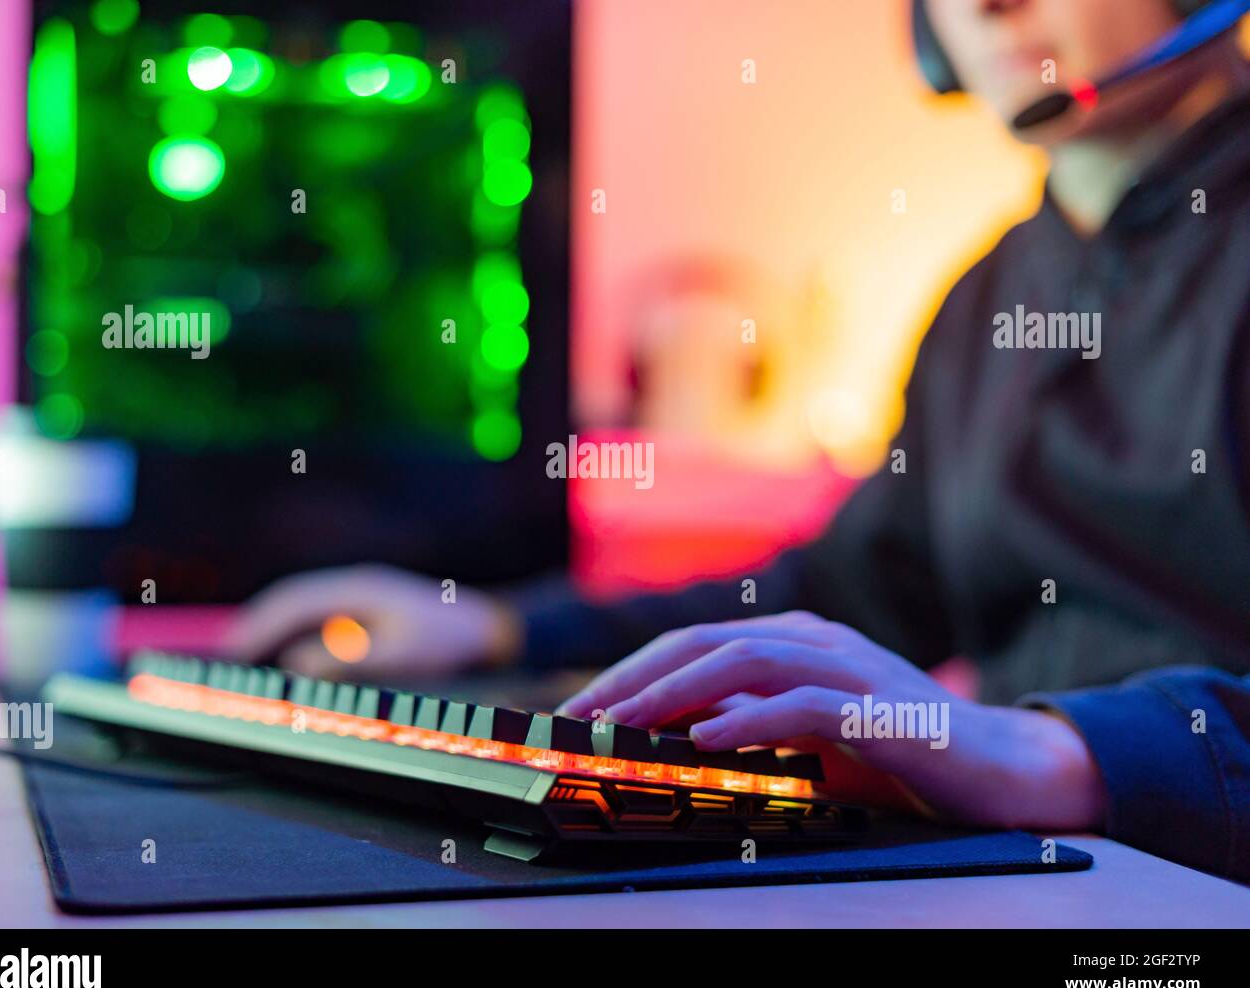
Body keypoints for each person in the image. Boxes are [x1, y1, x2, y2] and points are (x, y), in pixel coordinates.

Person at [228, 0, 1250, 881]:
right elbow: (852, 593)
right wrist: (496, 632)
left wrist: (1059, 755)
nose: (983, 6)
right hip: (1049, 870)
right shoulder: (986, 299)